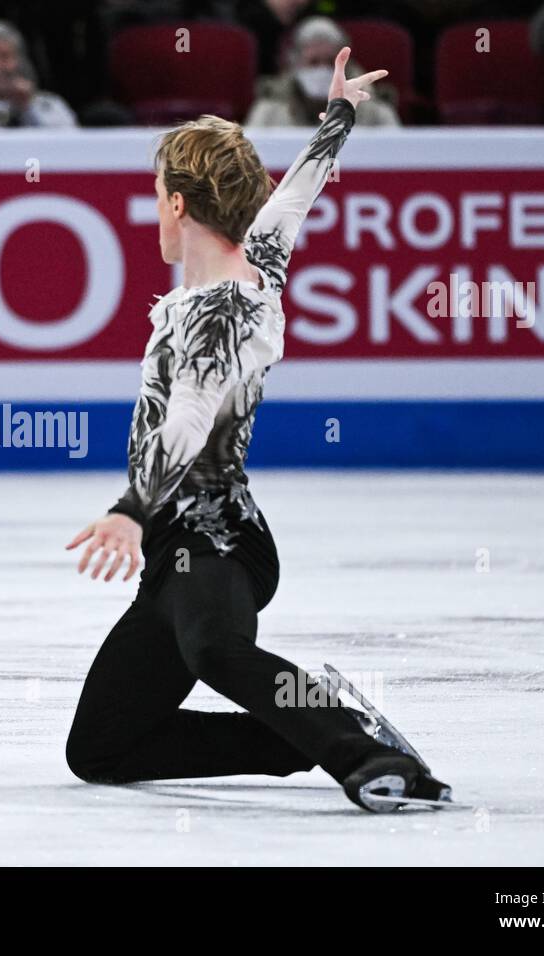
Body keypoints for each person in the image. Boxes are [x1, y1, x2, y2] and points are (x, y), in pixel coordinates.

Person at [63, 48, 451, 812]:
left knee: (215, 651)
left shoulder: (217, 309)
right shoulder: (255, 264)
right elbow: (299, 195)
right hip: (177, 552)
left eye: (155, 195)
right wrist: (337, 119)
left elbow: (188, 423)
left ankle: (363, 756)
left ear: (177, 203)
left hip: (218, 540)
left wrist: (128, 509)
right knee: (101, 746)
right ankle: (304, 732)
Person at [247, 17, 400, 127]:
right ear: (295, 64)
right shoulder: (267, 113)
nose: (322, 69)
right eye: (313, 62)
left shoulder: (377, 115)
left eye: (331, 62)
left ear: (347, 65)